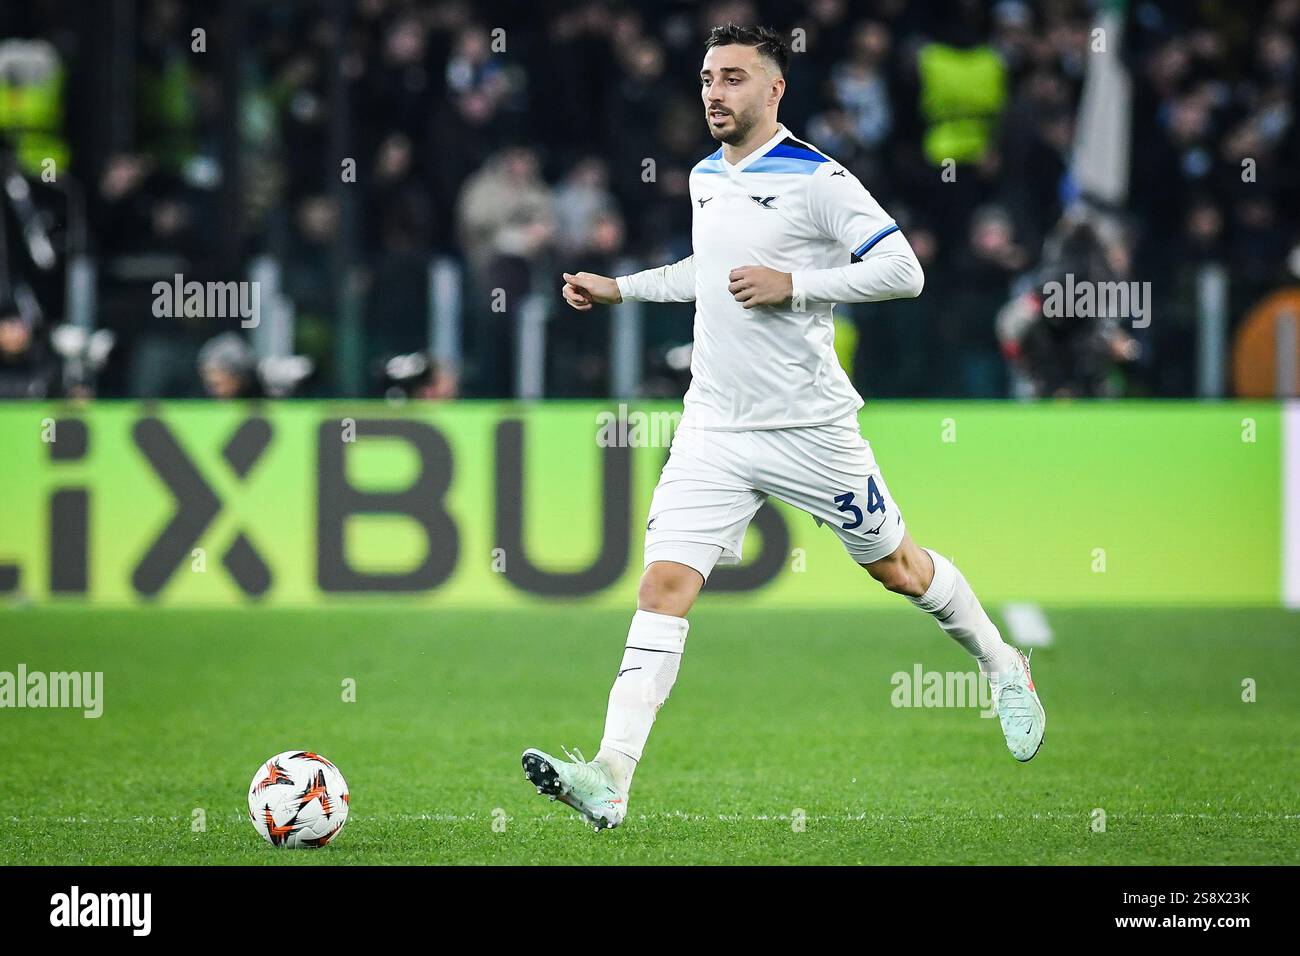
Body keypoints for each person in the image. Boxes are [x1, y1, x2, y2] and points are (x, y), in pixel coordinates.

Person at [523, 24, 1045, 831]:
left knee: (900, 570)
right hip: (714, 428)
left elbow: (903, 271)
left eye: (733, 78)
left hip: (809, 426)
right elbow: (708, 270)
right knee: (663, 587)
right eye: (705, 78)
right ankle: (609, 778)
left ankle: (1002, 662)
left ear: (774, 90)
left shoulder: (817, 178)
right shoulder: (703, 176)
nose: (714, 93)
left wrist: (794, 284)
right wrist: (620, 288)